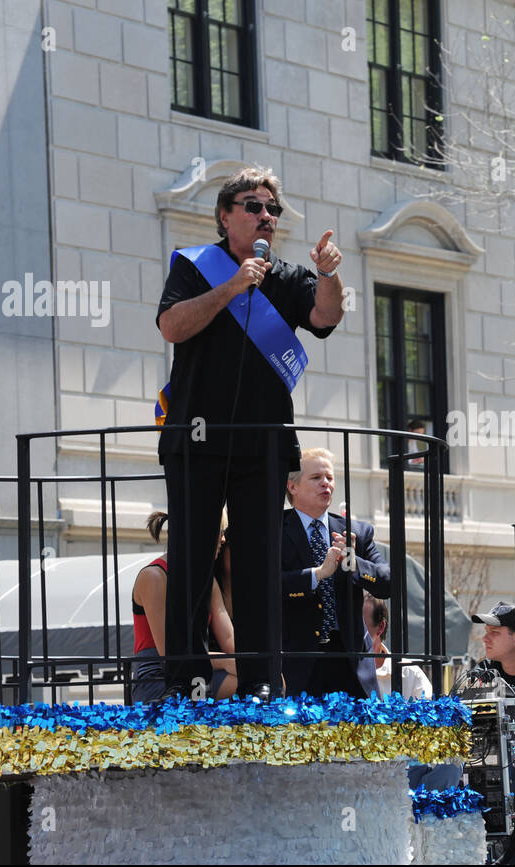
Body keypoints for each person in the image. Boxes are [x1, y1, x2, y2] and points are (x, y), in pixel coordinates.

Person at [156, 165, 345, 699]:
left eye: (273, 209)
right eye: (253, 206)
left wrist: (330, 273)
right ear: (225, 215)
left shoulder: (284, 275)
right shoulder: (196, 268)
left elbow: (325, 316)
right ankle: (187, 680)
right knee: (193, 557)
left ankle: (261, 678)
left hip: (262, 443)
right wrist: (234, 287)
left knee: (259, 563)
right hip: (195, 440)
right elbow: (172, 326)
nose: (266, 216)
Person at [281, 447, 392, 697]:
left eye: (329, 478)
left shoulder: (357, 532)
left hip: (350, 663)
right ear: (293, 486)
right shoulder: (275, 530)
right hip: (297, 663)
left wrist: (354, 563)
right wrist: (317, 574)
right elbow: (266, 586)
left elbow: (388, 583)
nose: (326, 484)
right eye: (316, 478)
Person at [131, 511, 238, 703]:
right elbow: (169, 654)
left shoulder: (207, 580)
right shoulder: (154, 577)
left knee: (266, 678)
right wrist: (228, 661)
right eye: (218, 530)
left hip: (200, 669)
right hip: (160, 675)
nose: (222, 538)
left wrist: (254, 664)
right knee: (246, 682)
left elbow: (230, 641)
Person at [366, 594, 432, 698]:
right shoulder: (343, 670)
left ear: (380, 627)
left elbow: (430, 710)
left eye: (362, 625)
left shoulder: (410, 673)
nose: (354, 632)